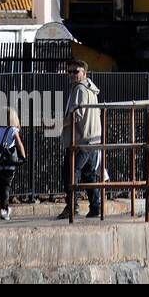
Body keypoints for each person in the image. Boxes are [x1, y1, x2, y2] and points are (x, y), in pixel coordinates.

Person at [59, 60, 101, 219]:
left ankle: (71, 207)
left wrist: (59, 124)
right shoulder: (92, 89)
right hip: (94, 139)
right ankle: (95, 208)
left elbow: (76, 114)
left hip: (80, 141)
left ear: (84, 73)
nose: (71, 75)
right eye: (69, 71)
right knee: (89, 175)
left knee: (70, 173)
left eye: (75, 71)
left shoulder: (79, 89)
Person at [0, 106, 26, 220]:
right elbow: (19, 144)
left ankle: (4, 208)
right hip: (9, 164)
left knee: (2, 186)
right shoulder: (13, 130)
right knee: (6, 186)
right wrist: (23, 157)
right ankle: (4, 210)